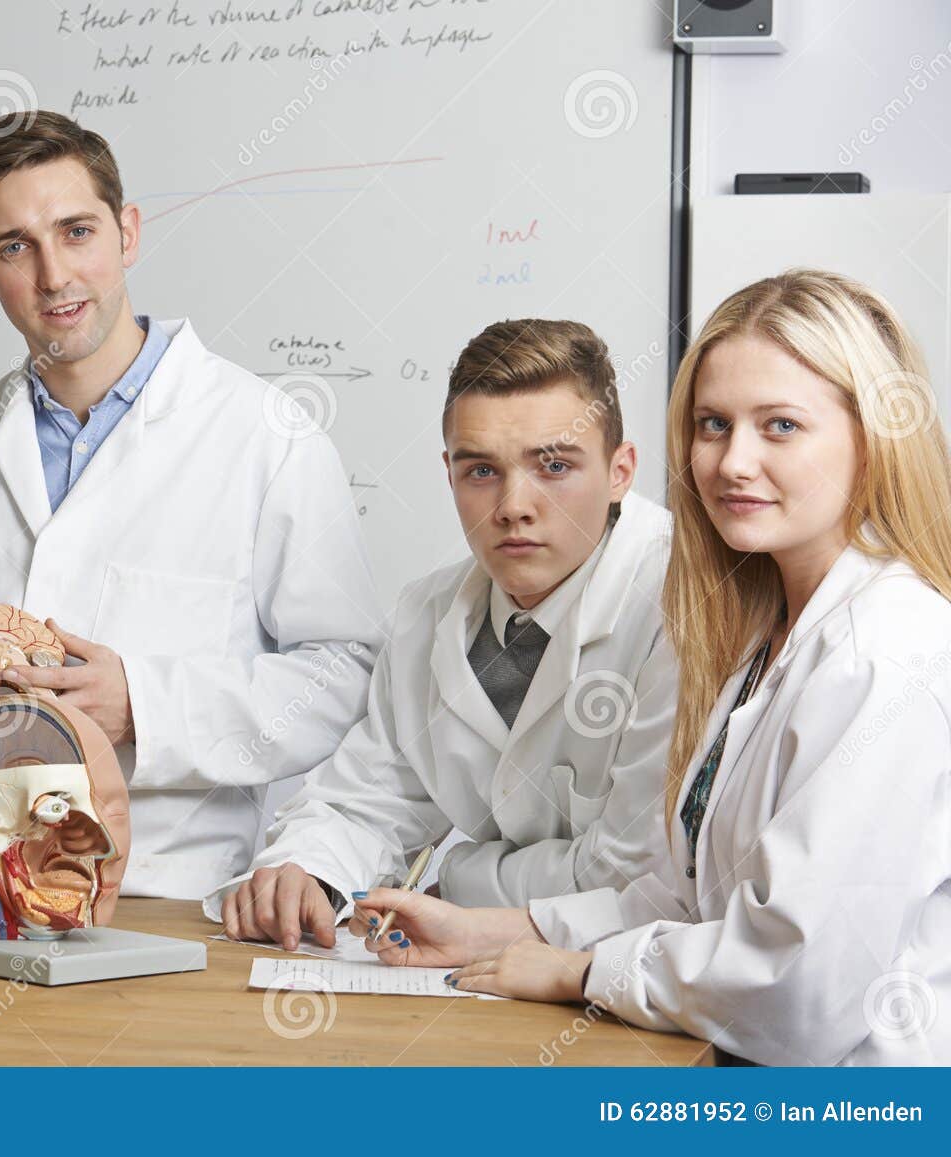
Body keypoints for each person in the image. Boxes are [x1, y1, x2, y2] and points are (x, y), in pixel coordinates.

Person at [355, 271, 951, 1066]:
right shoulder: (763, 637)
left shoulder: (884, 650)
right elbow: (686, 899)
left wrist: (581, 972)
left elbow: (799, 988)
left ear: (873, 437)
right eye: (714, 424)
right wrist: (490, 931)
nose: (733, 461)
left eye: (780, 425)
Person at [0, 110, 382, 899]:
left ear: (127, 232)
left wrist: (145, 704)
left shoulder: (268, 439)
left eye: (77, 232)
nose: (54, 276)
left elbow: (341, 674)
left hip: (161, 891)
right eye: (15, 247)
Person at [212, 319, 675, 949]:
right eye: (481, 470)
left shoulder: (682, 604)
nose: (514, 506)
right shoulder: (429, 613)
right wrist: (308, 873)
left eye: (554, 466)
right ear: (448, 473)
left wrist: (457, 877)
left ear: (621, 471)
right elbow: (370, 799)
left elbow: (635, 879)